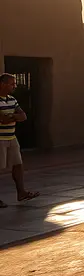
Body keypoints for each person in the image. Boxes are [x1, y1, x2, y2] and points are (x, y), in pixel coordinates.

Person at [0, 74, 38, 208]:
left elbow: (23, 116)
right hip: (0, 139)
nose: (14, 86)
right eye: (12, 84)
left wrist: (11, 116)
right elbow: (3, 119)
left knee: (18, 164)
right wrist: (15, 116)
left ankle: (21, 192)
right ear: (2, 84)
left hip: (11, 137)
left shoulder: (12, 99)